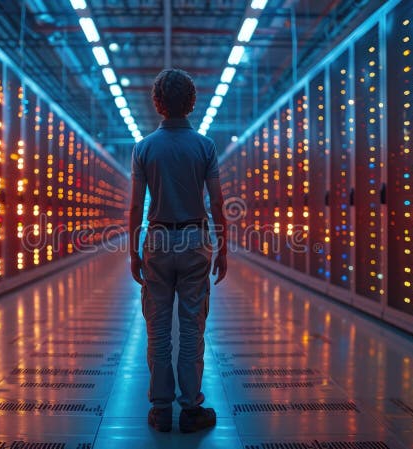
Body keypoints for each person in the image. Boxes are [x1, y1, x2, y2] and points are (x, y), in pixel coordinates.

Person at [128, 68, 228, 434]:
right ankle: (190, 408)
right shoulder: (205, 147)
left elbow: (136, 206)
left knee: (157, 328)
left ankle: (160, 409)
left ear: (157, 103)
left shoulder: (144, 149)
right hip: (194, 240)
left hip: (156, 240)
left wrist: (133, 252)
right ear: (191, 103)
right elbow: (216, 203)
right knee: (191, 328)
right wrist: (224, 247)